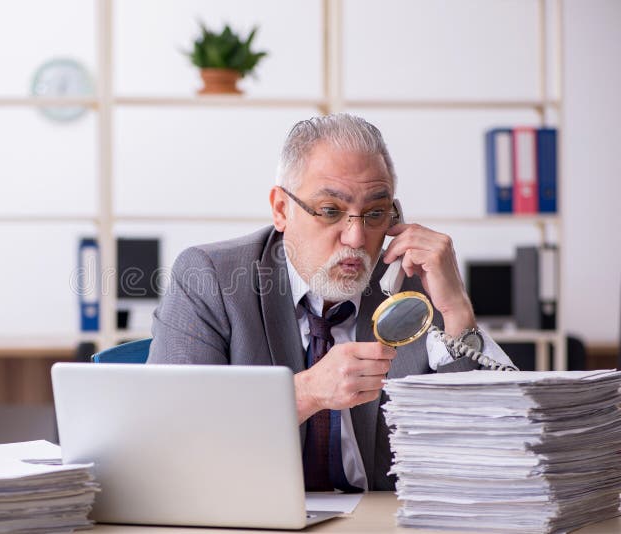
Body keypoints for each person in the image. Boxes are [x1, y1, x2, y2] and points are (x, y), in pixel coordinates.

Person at [147, 113, 514, 491]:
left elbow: (496, 446)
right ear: (280, 209)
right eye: (329, 211)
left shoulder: (416, 286)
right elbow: (173, 429)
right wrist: (306, 393)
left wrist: (457, 312)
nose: (356, 238)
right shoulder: (210, 278)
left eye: (374, 214)